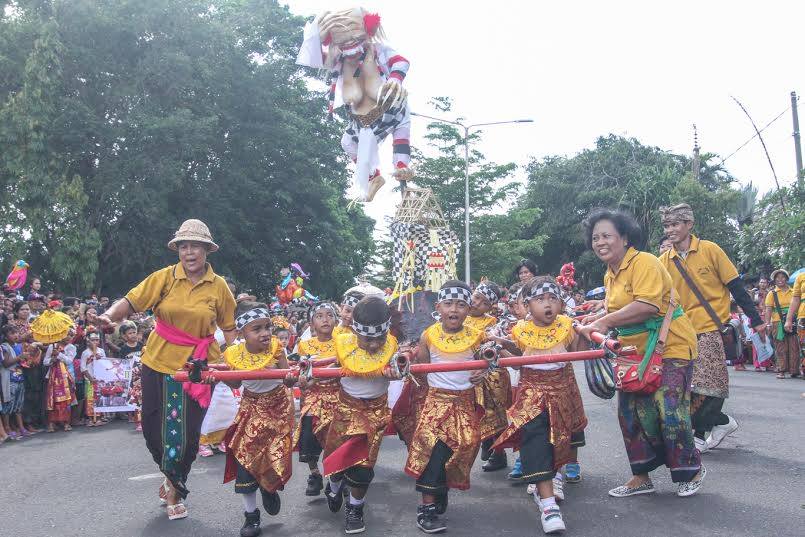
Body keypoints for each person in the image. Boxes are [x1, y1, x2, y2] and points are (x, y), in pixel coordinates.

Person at [96, 219, 237, 521]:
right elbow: (130, 301)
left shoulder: (219, 286)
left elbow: (230, 329)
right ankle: (171, 474)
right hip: (158, 361)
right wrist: (109, 316)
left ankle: (174, 488)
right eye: (183, 245)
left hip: (200, 367)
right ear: (178, 250)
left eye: (195, 246)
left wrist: (236, 361)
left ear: (206, 251)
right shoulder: (163, 278)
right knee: (151, 428)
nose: (189, 252)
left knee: (186, 435)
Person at [578, 208, 705, 498]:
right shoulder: (610, 272)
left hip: (669, 345)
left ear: (624, 237)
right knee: (631, 412)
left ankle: (691, 470)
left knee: (669, 409)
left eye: (607, 236)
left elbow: (647, 305)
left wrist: (604, 321)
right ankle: (641, 476)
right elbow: (618, 308)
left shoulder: (644, 262)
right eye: (596, 237)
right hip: (633, 350)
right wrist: (595, 317)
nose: (600, 242)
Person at [658, 203, 765, 452]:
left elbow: (736, 286)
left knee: (708, 383)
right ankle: (721, 422)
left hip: (709, 329)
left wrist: (756, 320)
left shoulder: (710, 250)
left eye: (675, 224)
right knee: (683, 386)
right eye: (666, 225)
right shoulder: (663, 261)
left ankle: (698, 434)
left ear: (689, 224)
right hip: (679, 331)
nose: (670, 230)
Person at [489, 276, 587, 534]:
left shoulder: (567, 326)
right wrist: (500, 348)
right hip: (532, 393)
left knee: (560, 440)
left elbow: (580, 351)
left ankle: (553, 481)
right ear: (527, 304)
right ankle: (548, 505)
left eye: (553, 298)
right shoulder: (518, 330)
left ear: (561, 303)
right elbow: (520, 358)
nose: (548, 304)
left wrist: (585, 333)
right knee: (536, 440)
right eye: (541, 299)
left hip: (564, 392)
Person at [404, 281, 485, 533]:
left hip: (464, 404)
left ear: (469, 309)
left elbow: (488, 362)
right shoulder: (428, 335)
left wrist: (484, 371)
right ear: (438, 307)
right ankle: (426, 508)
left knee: (466, 446)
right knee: (433, 453)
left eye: (461, 304)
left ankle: (442, 487)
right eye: (448, 303)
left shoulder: (477, 336)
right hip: (436, 404)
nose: (454, 309)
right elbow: (424, 368)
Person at [321, 296, 401, 534]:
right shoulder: (342, 342)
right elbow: (330, 368)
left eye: (380, 338)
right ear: (356, 331)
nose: (375, 345)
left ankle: (355, 508)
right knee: (337, 460)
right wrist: (309, 375)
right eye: (368, 339)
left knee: (363, 468)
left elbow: (398, 368)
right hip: (345, 410)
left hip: (375, 415)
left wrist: (398, 370)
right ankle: (333, 487)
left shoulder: (392, 345)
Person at [218, 302, 295, 537]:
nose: (265, 333)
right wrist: (220, 377)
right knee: (243, 459)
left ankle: (268, 488)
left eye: (267, 327)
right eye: (257, 329)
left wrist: (295, 375)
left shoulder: (276, 348)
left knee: (273, 458)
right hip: (251, 410)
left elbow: (287, 379)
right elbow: (235, 383)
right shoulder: (232, 353)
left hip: (279, 410)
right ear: (242, 333)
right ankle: (251, 517)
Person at [293, 302, 340, 497]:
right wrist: (304, 381)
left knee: (335, 440)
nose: (325, 319)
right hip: (313, 396)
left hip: (338, 395)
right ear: (312, 323)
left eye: (329, 315)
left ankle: (335, 476)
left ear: (336, 320)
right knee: (309, 438)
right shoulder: (304, 345)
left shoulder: (343, 342)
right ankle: (314, 474)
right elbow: (301, 374)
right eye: (319, 316)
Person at [465, 281, 510, 472]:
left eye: (483, 302)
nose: (476, 303)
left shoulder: (491, 323)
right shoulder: (458, 317)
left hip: (491, 374)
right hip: (467, 374)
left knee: (495, 414)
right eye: (475, 297)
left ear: (490, 307)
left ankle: (498, 453)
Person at [765, 269, 800, 379]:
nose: (780, 280)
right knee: (780, 347)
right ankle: (781, 370)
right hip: (777, 323)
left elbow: (797, 306)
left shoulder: (793, 291)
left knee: (794, 346)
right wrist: (767, 324)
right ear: (774, 280)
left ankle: (794, 370)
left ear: (787, 279)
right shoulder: (772, 293)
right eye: (777, 278)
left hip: (792, 322)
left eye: (782, 277)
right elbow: (768, 310)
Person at [1, 324, 28, 440]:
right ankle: (7, 428)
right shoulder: (4, 347)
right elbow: (6, 363)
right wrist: (19, 357)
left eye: (17, 332)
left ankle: (21, 427)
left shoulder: (19, 346)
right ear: (6, 337)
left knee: (18, 404)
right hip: (9, 378)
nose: (16, 335)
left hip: (19, 377)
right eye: (12, 333)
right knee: (8, 404)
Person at [80, 332, 105, 427]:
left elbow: (105, 364)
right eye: (93, 340)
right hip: (89, 379)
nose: (95, 342)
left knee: (98, 397)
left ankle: (98, 418)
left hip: (99, 378)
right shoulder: (85, 353)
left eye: (97, 340)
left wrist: (100, 359)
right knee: (90, 398)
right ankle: (90, 418)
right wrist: (90, 378)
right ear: (88, 341)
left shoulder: (101, 351)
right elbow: (83, 368)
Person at [784, 270, 805, 375]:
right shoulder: (801, 277)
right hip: (803, 317)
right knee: (804, 348)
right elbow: (795, 299)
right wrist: (788, 320)